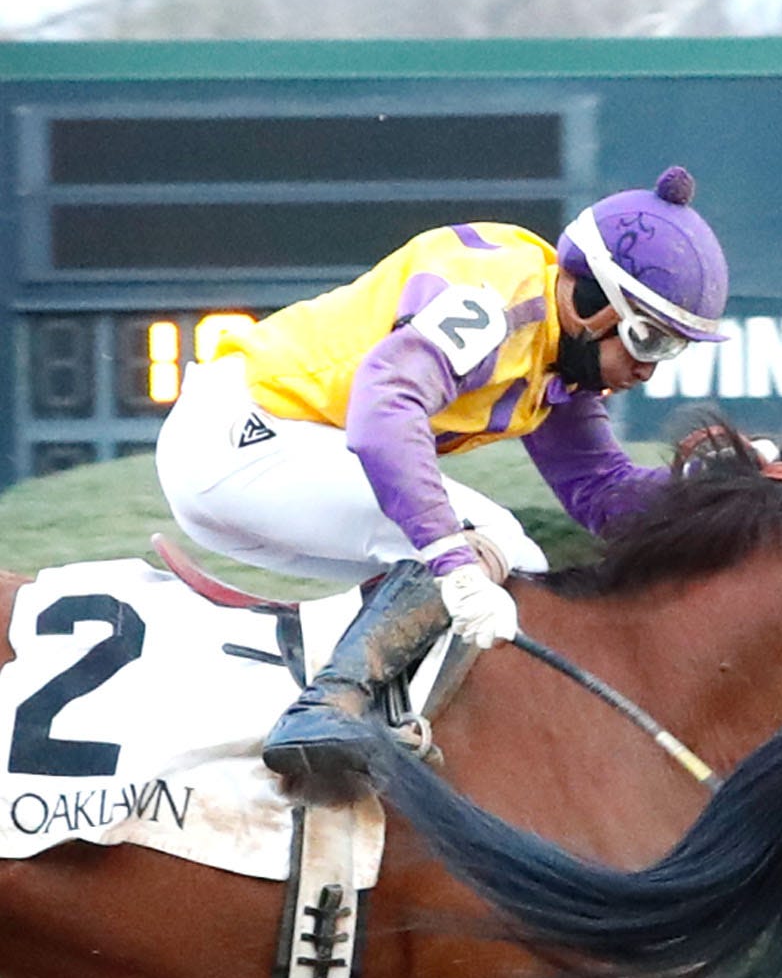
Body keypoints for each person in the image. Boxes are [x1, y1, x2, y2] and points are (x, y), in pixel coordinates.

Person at [155, 168, 733, 794]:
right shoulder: (494, 304)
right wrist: (451, 555)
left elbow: (602, 496)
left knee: (516, 561)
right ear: (591, 303)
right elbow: (384, 412)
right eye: (648, 339)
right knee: (489, 538)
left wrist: (714, 488)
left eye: (671, 350)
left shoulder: (557, 360)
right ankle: (327, 709)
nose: (647, 370)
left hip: (258, 464)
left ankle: (383, 718)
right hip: (241, 440)